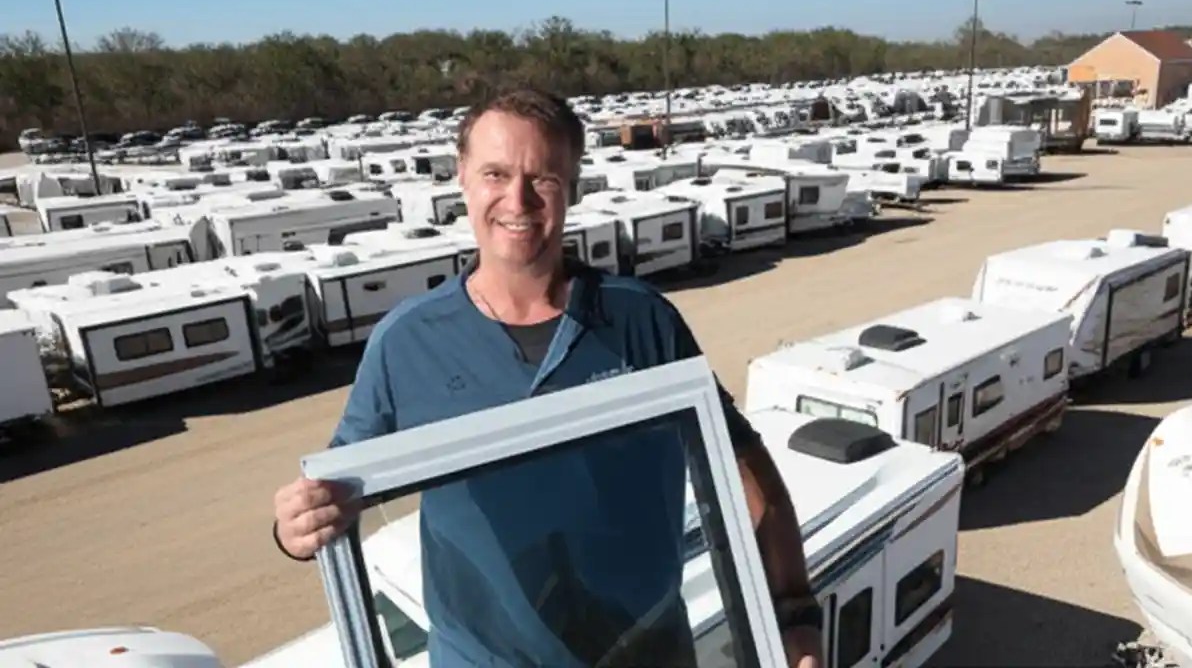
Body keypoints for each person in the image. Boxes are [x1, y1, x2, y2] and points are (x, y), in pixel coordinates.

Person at [273, 87, 823, 668]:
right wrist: (295, 530)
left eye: (543, 178)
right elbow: (337, 493)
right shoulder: (406, 343)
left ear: (573, 187)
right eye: (495, 174)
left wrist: (795, 615)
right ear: (462, 177)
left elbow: (741, 469)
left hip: (644, 654)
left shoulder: (642, 321)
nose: (518, 199)